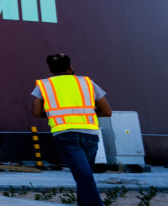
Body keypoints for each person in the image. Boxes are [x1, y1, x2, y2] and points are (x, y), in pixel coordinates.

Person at [32, 53, 113, 206]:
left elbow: (36, 112)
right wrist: (85, 113)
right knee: (85, 175)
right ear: (70, 67)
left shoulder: (43, 85)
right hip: (89, 133)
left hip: (65, 134)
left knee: (83, 176)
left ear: (51, 70)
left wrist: (55, 115)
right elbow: (107, 112)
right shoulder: (87, 83)